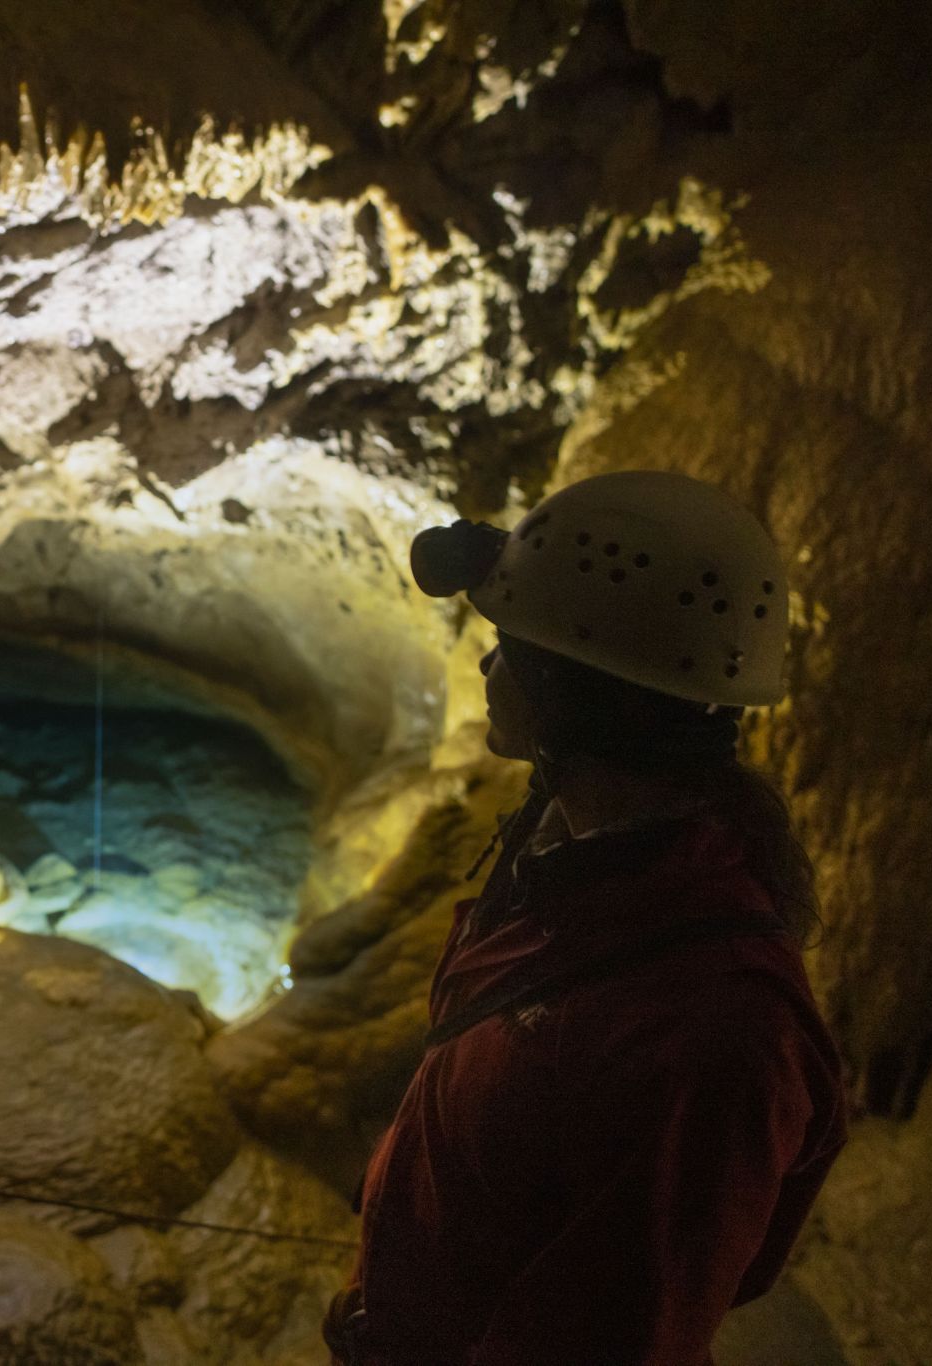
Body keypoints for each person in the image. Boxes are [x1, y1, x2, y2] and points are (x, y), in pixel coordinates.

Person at [327, 470, 849, 1365]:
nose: (490, 667)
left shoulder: (713, 1036)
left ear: (577, 697)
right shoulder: (567, 853)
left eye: (510, 648)